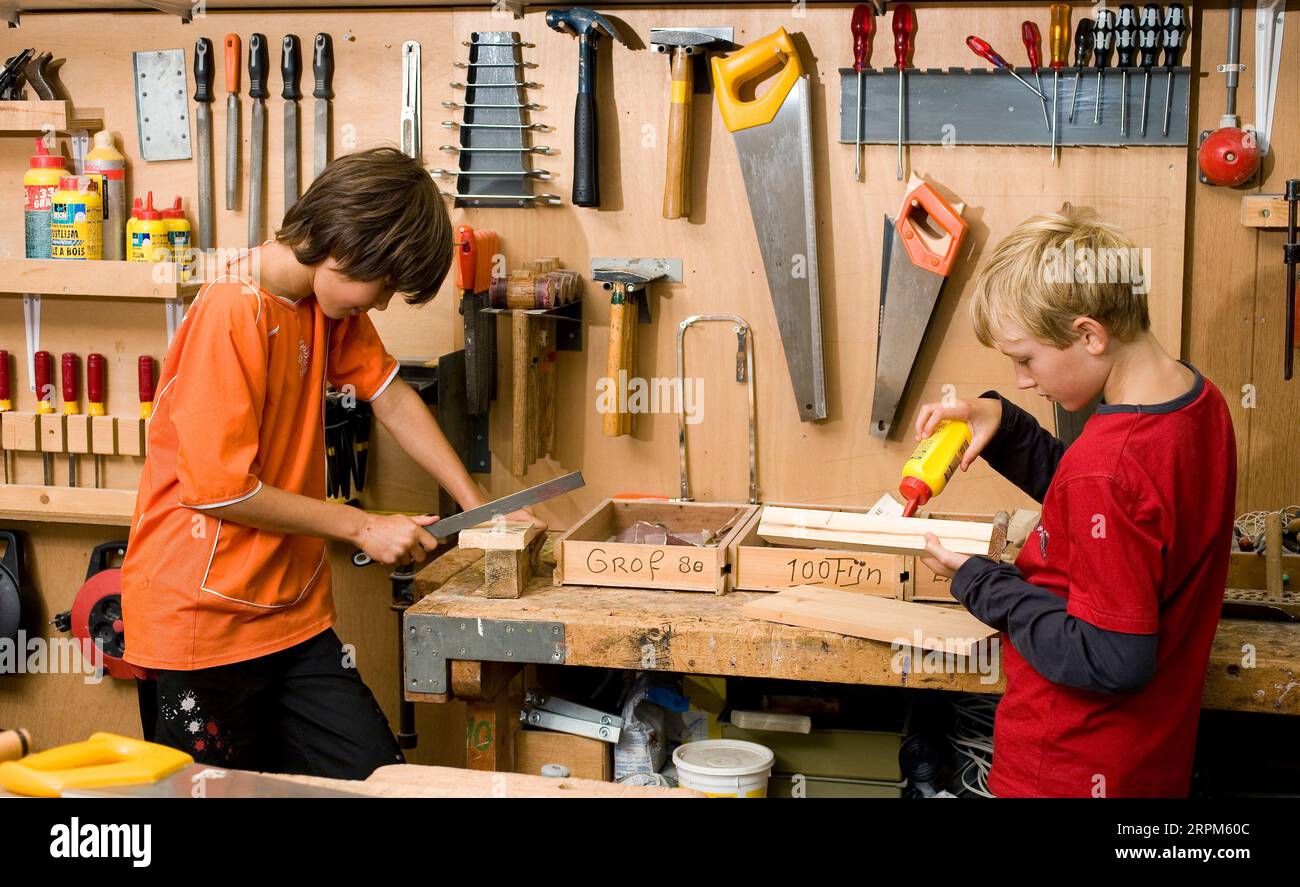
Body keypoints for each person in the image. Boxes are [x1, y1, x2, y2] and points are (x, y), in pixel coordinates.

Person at [120, 147, 540, 779]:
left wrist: (478, 506)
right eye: (386, 284)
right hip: (201, 626)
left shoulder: (324, 305)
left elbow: (391, 395)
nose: (383, 303)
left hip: (288, 619)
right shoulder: (232, 311)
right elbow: (219, 491)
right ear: (345, 248)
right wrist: (364, 527)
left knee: (378, 783)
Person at [916, 207, 1236, 797]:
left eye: (1025, 359)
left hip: (1067, 766)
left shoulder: (1108, 469)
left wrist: (981, 581)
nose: (1023, 381)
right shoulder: (1197, 403)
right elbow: (1113, 519)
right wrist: (1006, 426)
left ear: (1090, 335)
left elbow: (1112, 660)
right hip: (1148, 761)